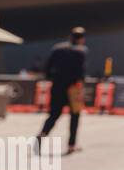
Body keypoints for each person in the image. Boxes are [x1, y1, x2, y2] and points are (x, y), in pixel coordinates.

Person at [38, 26, 88, 155]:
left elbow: (47, 68)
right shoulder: (80, 51)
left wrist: (53, 79)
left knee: (54, 114)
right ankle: (71, 145)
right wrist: (81, 89)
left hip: (57, 86)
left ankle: (42, 134)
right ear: (81, 39)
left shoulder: (57, 49)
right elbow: (80, 73)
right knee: (75, 116)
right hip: (72, 88)